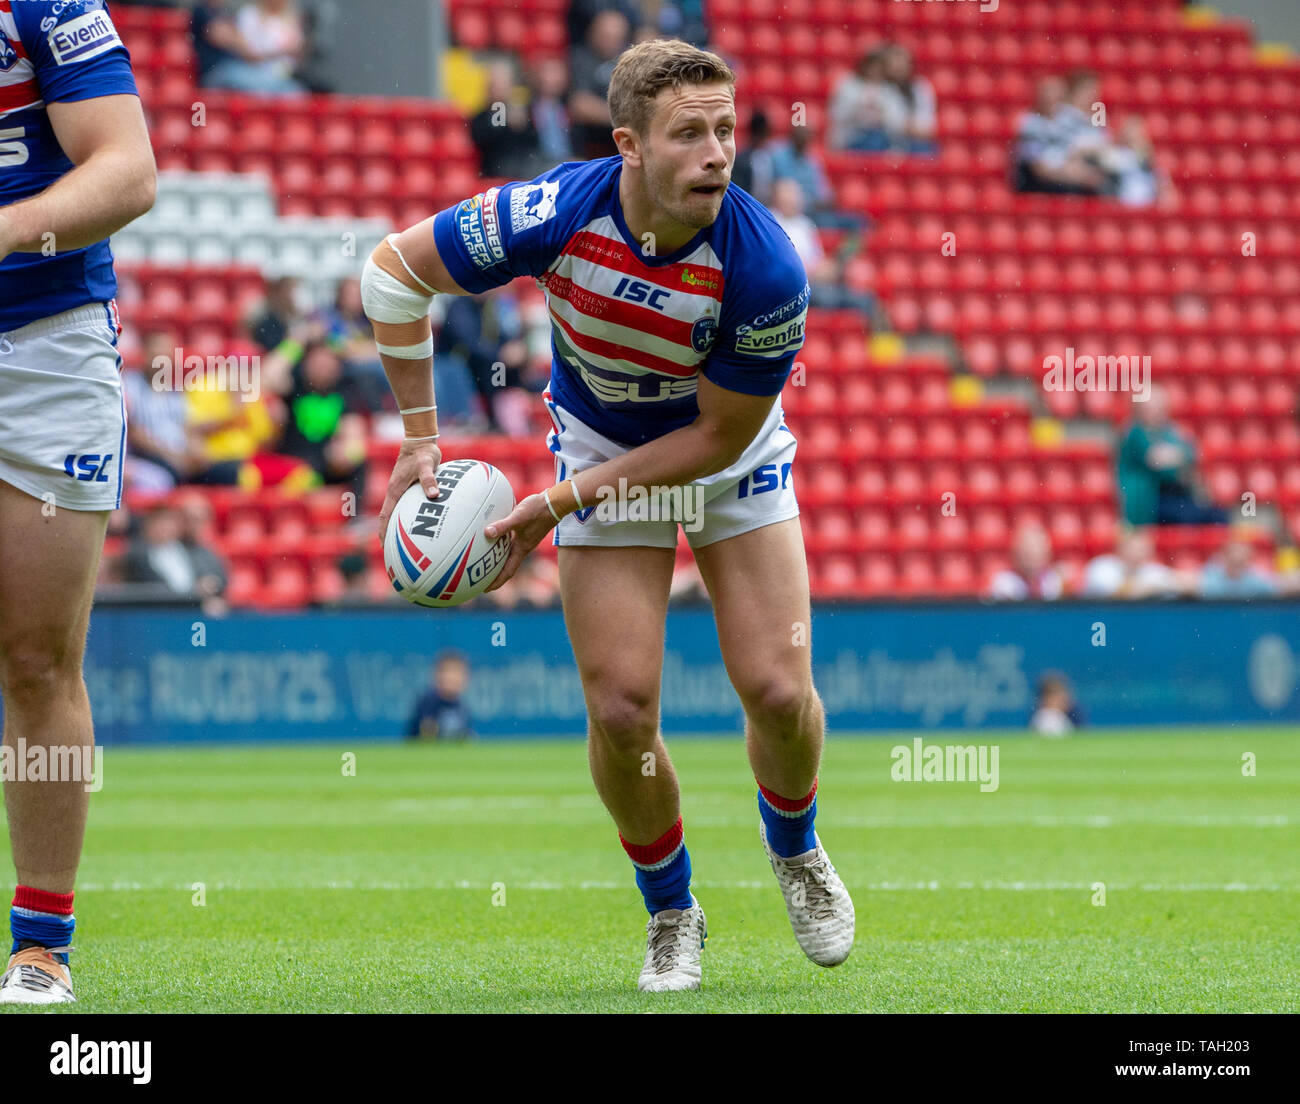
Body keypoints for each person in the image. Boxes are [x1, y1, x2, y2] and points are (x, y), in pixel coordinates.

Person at [361, 39, 854, 992]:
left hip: (726, 462)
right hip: (596, 443)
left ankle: (794, 847)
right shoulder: (552, 211)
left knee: (780, 693)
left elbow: (715, 439)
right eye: (688, 135)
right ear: (628, 145)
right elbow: (391, 274)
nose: (717, 152)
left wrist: (552, 503)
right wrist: (419, 435)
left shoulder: (767, 267)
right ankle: (672, 911)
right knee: (623, 709)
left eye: (726, 129)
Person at [0, 0, 156, 1003]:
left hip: (44, 347)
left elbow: (127, 169)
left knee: (35, 655)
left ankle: (41, 944)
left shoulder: (44, 5)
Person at [1117, 386, 1227, 526]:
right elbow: (1156, 461)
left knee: (1217, 515)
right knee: (1187, 516)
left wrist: (1175, 457)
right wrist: (1178, 457)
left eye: (1159, 408)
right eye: (1150, 408)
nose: (1155, 413)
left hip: (1176, 494)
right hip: (1149, 500)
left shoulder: (1170, 431)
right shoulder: (1134, 433)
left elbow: (1191, 454)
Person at [768, 178, 872, 316]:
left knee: (863, 300)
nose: (793, 198)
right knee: (826, 299)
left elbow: (818, 258)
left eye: (795, 194)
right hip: (793, 288)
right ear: (777, 197)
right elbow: (776, 263)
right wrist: (809, 272)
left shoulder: (805, 223)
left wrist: (830, 268)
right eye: (788, 193)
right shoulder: (770, 221)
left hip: (817, 283)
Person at [1013, 76, 1106, 195]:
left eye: (1057, 97)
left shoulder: (1067, 121)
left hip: (1066, 176)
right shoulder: (1030, 124)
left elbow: (1075, 151)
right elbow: (1039, 170)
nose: (1052, 101)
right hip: (1041, 185)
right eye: (1048, 96)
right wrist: (1078, 175)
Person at [193, 0, 306, 95]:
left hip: (243, 70)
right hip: (219, 72)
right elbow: (220, 36)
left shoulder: (222, 13)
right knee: (287, 90)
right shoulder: (202, 11)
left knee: (292, 90)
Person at [567, 9, 631, 161]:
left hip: (622, 140)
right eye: (606, 36)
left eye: (617, 37)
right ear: (593, 33)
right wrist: (625, 118)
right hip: (590, 141)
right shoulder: (580, 58)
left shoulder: (628, 59)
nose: (611, 41)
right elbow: (580, 105)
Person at [470, 61, 542, 180]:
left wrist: (522, 126)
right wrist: (507, 124)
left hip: (525, 169)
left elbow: (534, 141)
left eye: (502, 83)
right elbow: (484, 140)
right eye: (495, 83)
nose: (498, 88)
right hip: (497, 172)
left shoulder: (522, 110)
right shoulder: (481, 116)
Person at [1082, 528, 1192, 598]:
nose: (1138, 551)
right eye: (1133, 547)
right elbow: (1119, 592)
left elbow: (1187, 585)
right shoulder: (1101, 566)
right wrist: (1158, 587)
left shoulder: (1152, 570)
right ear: (1120, 547)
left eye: (1142, 547)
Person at [828, 47, 895, 153]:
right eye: (873, 67)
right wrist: (859, 107)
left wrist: (881, 116)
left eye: (879, 69)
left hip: (881, 139)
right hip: (851, 137)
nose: (875, 72)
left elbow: (895, 120)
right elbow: (837, 114)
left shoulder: (888, 90)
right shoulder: (848, 86)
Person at [407, 652, 475, 741]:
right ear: (437, 675)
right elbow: (426, 732)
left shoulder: (461, 706)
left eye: (456, 673)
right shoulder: (428, 702)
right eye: (447, 672)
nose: (451, 678)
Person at [989, 523, 1065, 600]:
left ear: (1047, 554)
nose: (1032, 558)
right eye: (1027, 553)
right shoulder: (1005, 582)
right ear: (1016, 554)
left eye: (1036, 551)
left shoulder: (1055, 580)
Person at [1199, 537, 1278, 598]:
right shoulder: (1210, 575)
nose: (1237, 560)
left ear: (1248, 560)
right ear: (1224, 557)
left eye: (1240, 562)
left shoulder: (1258, 578)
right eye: (1233, 561)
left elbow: (1276, 589)